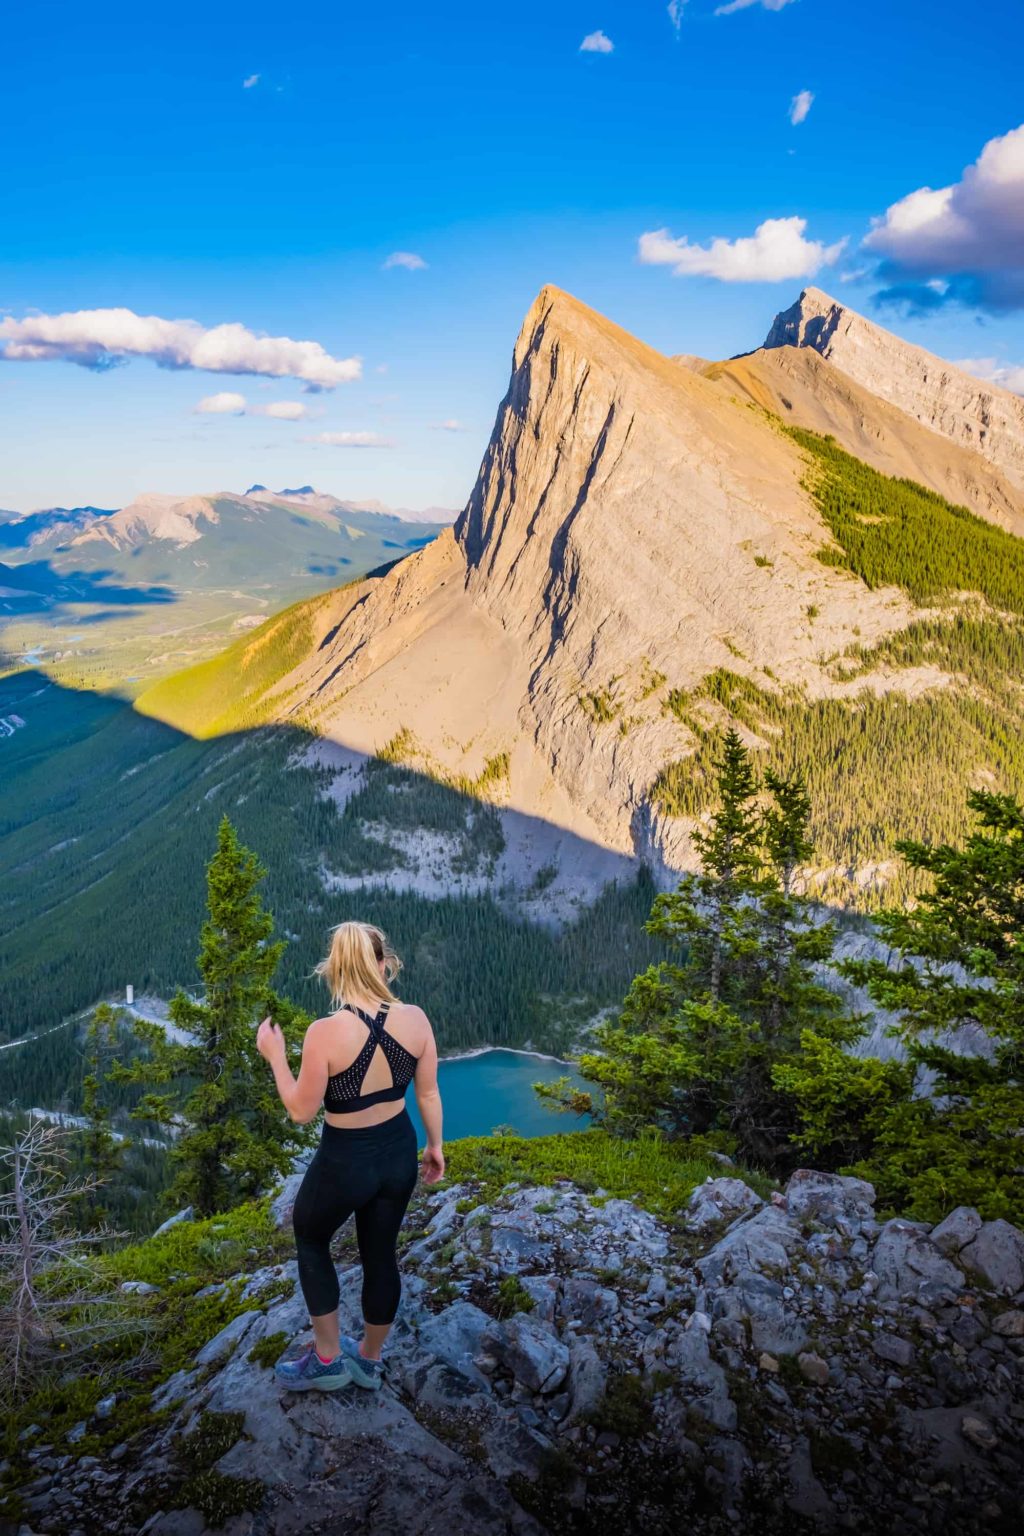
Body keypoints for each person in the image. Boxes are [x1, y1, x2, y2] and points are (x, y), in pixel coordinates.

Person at [256, 920, 444, 1392]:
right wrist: (435, 1146)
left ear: (335, 970)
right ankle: (370, 1359)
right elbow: (428, 1094)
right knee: (380, 1253)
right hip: (398, 1151)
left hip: (346, 1159)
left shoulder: (325, 1032)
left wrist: (275, 1056)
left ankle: (327, 1360)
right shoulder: (417, 1019)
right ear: (384, 965)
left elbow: (301, 1110)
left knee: (310, 1236)